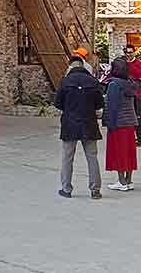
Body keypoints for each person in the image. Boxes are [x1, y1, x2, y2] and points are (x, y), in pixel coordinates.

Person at [53, 53, 104, 200]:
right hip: (89, 123)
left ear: (70, 66)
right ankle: (95, 189)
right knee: (92, 157)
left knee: (67, 157)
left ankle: (66, 188)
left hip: (70, 123)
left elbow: (58, 103)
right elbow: (100, 103)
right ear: (83, 65)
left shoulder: (65, 81)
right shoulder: (93, 81)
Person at [103, 57, 139, 191]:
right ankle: (129, 180)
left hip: (118, 122)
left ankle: (121, 181)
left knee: (119, 152)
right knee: (129, 152)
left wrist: (108, 123)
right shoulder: (129, 83)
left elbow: (112, 106)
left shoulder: (114, 85)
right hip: (130, 121)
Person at [127, 48, 141, 145]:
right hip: (128, 93)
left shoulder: (139, 64)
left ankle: (140, 138)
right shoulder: (124, 62)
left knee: (138, 116)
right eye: (127, 52)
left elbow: (140, 74)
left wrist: (129, 65)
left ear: (134, 52)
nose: (128, 54)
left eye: (130, 52)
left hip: (137, 94)